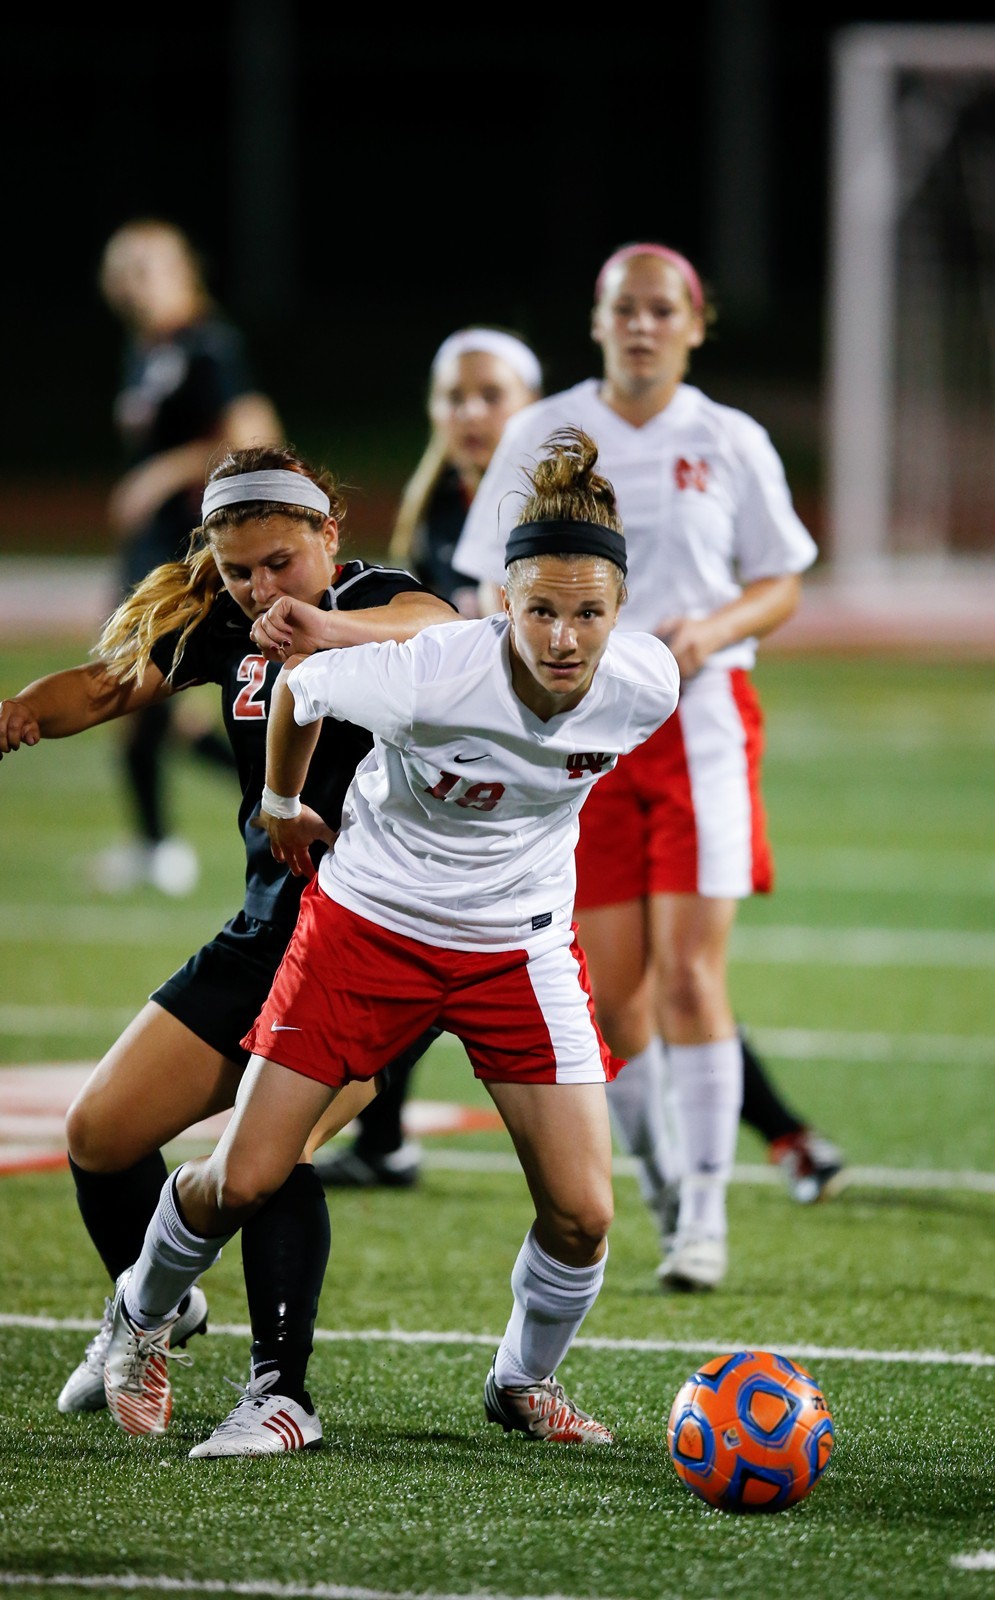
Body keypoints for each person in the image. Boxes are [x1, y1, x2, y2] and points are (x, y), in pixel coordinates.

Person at [98, 426, 680, 1448]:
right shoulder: (433, 669)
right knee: (242, 1176)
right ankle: (141, 1312)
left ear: (618, 611)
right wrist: (281, 799)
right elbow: (305, 688)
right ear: (502, 601)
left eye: (587, 612)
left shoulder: (647, 685)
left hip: (519, 947)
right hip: (367, 930)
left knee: (585, 1214)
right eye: (538, 608)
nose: (561, 636)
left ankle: (519, 1379)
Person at [0, 443, 454, 1456]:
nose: (260, 586)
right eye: (241, 568)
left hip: (368, 953)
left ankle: (281, 1391)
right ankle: (156, 1311)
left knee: (262, 1156)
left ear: (328, 535)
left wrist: (320, 623)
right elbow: (109, 686)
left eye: (281, 562)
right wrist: (26, 712)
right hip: (262, 932)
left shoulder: (380, 598)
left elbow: (444, 632)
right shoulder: (224, 620)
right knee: (100, 1133)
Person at [453, 241, 846, 1293]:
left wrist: (709, 631)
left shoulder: (728, 438)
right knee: (614, 999)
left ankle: (705, 1215)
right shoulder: (543, 430)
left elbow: (783, 578)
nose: (639, 324)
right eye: (621, 308)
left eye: (659, 309)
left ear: (693, 322)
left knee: (687, 974)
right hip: (581, 737)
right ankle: (668, 1185)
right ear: (595, 321)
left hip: (701, 724)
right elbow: (484, 578)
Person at [317, 324, 544, 1190]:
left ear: (530, 406)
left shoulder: (538, 505)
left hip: (528, 779)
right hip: (456, 768)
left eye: (491, 396)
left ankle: (776, 1132)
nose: (472, 412)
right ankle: (382, 1140)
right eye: (456, 396)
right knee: (409, 945)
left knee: (642, 981)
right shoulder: (443, 498)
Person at [94, 216, 285, 896]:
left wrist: (163, 476)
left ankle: (276, 804)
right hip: (147, 549)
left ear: (184, 268)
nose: (131, 278)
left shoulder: (209, 346)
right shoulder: (148, 349)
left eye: (147, 263)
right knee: (155, 706)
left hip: (182, 547)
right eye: (123, 266)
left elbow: (255, 435)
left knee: (142, 695)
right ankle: (161, 842)